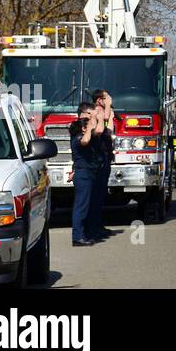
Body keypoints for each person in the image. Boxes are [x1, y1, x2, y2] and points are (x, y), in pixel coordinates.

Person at [68, 102, 105, 246]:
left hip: (89, 174)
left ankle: (85, 233)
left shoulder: (86, 136)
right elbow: (85, 141)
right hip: (83, 174)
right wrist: (89, 127)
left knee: (87, 205)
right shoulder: (78, 138)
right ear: (82, 128)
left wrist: (99, 118)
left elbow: (98, 132)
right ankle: (77, 236)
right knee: (81, 206)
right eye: (87, 127)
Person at [89, 90, 118, 238]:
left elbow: (110, 129)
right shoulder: (95, 112)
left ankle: (98, 225)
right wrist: (108, 107)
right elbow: (104, 120)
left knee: (101, 194)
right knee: (96, 194)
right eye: (106, 98)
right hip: (97, 157)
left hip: (105, 155)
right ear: (99, 100)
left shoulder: (107, 111)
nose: (110, 100)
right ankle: (93, 227)